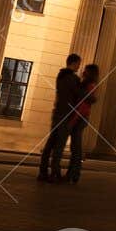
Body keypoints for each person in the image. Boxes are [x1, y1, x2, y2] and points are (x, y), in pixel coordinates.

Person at [38, 54, 83, 182]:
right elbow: (78, 95)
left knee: (50, 144)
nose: (79, 66)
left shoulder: (61, 76)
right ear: (74, 63)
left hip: (57, 112)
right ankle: (55, 173)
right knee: (59, 145)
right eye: (78, 63)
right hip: (66, 114)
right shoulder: (73, 78)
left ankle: (42, 171)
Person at [66, 64, 100, 183]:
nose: (83, 71)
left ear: (90, 73)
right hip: (81, 117)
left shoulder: (88, 85)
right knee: (76, 147)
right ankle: (73, 174)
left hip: (80, 118)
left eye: (85, 70)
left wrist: (73, 120)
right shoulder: (89, 85)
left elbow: (82, 106)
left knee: (76, 148)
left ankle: (73, 174)